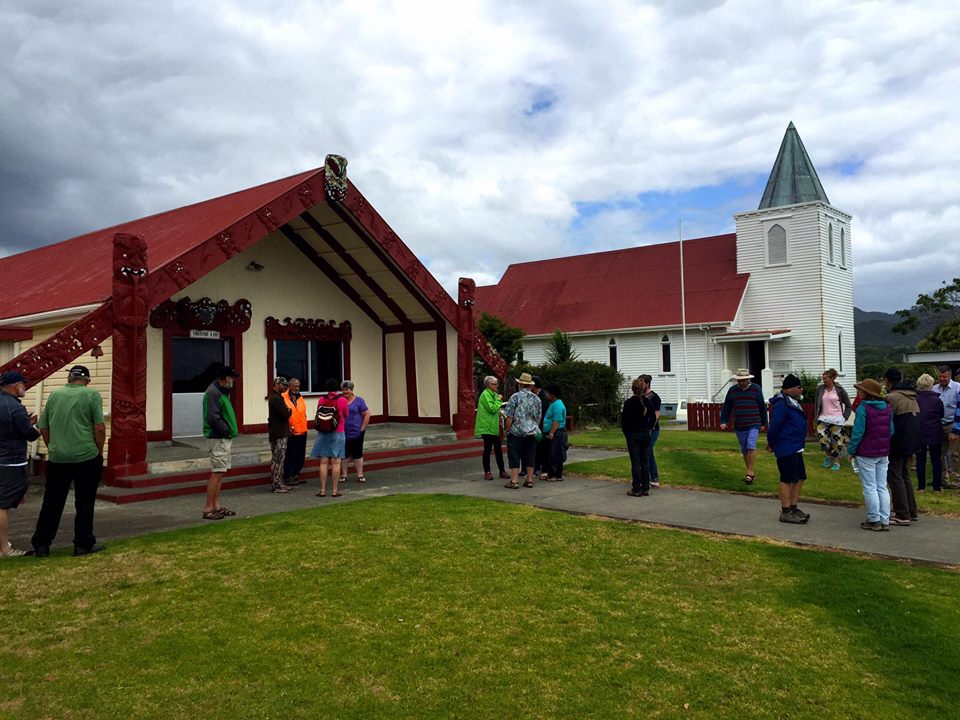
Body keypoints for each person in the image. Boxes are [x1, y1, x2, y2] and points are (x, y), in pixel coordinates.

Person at [31, 365, 106, 556]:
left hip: (58, 457)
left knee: (52, 502)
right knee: (85, 502)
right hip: (86, 455)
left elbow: (44, 427)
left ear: (70, 378)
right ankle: (83, 542)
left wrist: (52, 447)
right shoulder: (91, 396)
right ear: (86, 380)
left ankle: (42, 544)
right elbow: (99, 428)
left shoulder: (55, 395)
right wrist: (98, 451)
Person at [0, 372, 40, 557]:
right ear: (16, 385)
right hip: (11, 462)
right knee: (3, 505)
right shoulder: (15, 408)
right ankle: (4, 548)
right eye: (23, 384)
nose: (25, 387)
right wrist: (37, 427)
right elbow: (29, 434)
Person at [848, 379, 894, 531]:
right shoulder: (887, 407)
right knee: (882, 486)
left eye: (860, 390)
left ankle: (874, 519)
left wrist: (852, 450)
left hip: (866, 452)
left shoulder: (863, 408)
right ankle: (885, 519)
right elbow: (891, 431)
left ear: (866, 393)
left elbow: (858, 432)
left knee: (869, 486)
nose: (858, 392)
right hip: (883, 451)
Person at [766, 374, 811, 524]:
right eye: (799, 387)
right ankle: (785, 511)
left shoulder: (793, 402)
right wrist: (771, 443)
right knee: (787, 478)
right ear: (790, 388)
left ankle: (793, 507)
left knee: (799, 477)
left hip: (796, 446)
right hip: (786, 446)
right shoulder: (782, 404)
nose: (801, 390)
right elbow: (774, 427)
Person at [201, 366, 240, 520]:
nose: (233, 381)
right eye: (232, 378)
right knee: (217, 472)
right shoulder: (213, 393)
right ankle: (208, 508)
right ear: (224, 379)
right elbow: (212, 417)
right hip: (218, 437)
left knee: (220, 472)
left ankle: (216, 505)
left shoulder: (220, 392)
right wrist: (225, 430)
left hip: (222, 438)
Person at [883, 367, 921, 525]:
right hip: (913, 439)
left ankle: (901, 514)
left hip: (898, 440)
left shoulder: (891, 397)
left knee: (895, 476)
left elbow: (886, 420)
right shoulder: (912, 396)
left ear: (887, 381)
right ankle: (911, 511)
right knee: (905, 475)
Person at [719, 368, 768, 484]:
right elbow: (727, 407)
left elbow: (762, 406)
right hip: (740, 425)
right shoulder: (732, 391)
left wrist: (763, 423)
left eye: (744, 380)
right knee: (745, 449)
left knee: (751, 445)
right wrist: (723, 421)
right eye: (739, 381)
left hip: (754, 423)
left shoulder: (756, 389)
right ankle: (751, 472)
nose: (741, 383)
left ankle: (749, 473)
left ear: (748, 379)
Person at [502, 373, 541, 490]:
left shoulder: (515, 397)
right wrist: (534, 428)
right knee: (530, 455)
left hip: (516, 431)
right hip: (531, 431)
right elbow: (538, 417)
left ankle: (514, 481)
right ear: (530, 385)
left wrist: (507, 429)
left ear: (520, 384)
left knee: (514, 455)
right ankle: (529, 480)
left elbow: (509, 416)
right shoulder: (536, 399)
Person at [311, 378, 349, 497]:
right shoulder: (342, 400)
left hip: (323, 433)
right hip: (338, 432)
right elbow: (346, 414)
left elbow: (318, 413)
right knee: (336, 462)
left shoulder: (321, 399)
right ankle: (334, 490)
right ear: (338, 388)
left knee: (323, 462)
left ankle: (322, 490)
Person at [813, 368, 853, 471]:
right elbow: (817, 404)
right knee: (822, 439)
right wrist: (816, 417)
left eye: (826, 378)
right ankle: (829, 456)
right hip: (823, 418)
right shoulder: (820, 389)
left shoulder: (840, 390)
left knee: (837, 442)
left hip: (837, 420)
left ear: (832, 378)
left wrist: (845, 418)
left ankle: (836, 462)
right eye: (823, 378)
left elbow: (848, 405)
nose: (824, 380)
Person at [622, 378, 655, 497]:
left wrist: (627, 433)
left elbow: (624, 421)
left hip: (633, 434)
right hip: (645, 434)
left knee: (635, 462)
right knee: (645, 461)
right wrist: (649, 427)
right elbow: (653, 416)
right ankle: (645, 487)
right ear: (643, 389)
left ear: (633, 389)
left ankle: (637, 488)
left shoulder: (629, 403)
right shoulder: (647, 401)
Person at [915, 374, 945, 492]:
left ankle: (921, 486)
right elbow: (941, 414)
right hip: (935, 431)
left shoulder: (915, 399)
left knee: (920, 459)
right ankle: (936, 486)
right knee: (936, 459)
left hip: (919, 431)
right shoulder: (937, 400)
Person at [474, 376, 507, 481]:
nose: (496, 385)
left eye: (496, 383)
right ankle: (487, 472)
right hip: (487, 426)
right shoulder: (485, 394)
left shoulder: (494, 394)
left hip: (494, 427)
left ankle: (502, 471)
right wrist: (499, 401)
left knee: (498, 449)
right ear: (488, 385)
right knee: (487, 449)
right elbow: (492, 408)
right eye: (494, 384)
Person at [932, 365, 960, 486]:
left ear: (950, 376)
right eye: (940, 376)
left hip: (953, 424)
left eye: (945, 376)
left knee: (955, 453)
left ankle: (958, 479)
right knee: (940, 454)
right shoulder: (934, 389)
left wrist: (956, 430)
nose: (942, 379)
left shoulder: (958, 388)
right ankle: (944, 479)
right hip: (939, 425)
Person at [341, 380, 370, 483]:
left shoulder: (359, 401)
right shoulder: (340, 400)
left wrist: (363, 428)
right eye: (343, 390)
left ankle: (360, 475)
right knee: (344, 454)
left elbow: (366, 414)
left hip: (357, 432)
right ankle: (344, 475)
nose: (345, 392)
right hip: (343, 432)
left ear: (352, 390)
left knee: (357, 453)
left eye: (347, 389)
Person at [267, 376, 292, 494]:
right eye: (283, 385)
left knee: (280, 459)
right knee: (278, 459)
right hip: (278, 432)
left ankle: (279, 482)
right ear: (276, 385)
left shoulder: (278, 397)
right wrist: (289, 410)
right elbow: (285, 413)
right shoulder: (275, 398)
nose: (285, 387)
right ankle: (276, 485)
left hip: (279, 431)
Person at [282, 378, 308, 485]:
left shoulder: (300, 397)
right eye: (294, 386)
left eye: (298, 386)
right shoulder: (283, 397)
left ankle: (296, 474)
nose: (297, 388)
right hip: (291, 431)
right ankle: (289, 475)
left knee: (300, 454)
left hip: (302, 430)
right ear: (289, 386)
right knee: (290, 454)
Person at [540, 384, 567, 481]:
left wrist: (551, 433)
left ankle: (557, 474)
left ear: (553, 395)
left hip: (557, 432)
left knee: (555, 453)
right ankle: (550, 473)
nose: (546, 395)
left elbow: (556, 421)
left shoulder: (558, 405)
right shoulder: (552, 404)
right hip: (549, 431)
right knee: (549, 453)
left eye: (547, 393)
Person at [640, 374, 662, 487]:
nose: (640, 384)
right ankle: (645, 477)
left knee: (648, 451)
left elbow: (657, 414)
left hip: (652, 430)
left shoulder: (654, 397)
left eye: (642, 382)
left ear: (647, 383)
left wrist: (650, 427)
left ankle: (654, 477)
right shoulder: (640, 397)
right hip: (642, 429)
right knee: (645, 452)